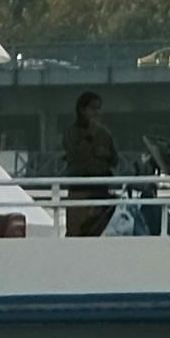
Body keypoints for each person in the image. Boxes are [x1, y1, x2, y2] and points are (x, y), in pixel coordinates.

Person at [64, 84, 119, 238]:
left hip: (100, 190)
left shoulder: (105, 133)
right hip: (79, 190)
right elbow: (76, 155)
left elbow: (115, 160)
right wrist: (90, 135)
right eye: (93, 108)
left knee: (99, 232)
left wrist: (105, 154)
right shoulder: (71, 132)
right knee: (76, 232)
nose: (96, 113)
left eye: (99, 109)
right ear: (82, 109)